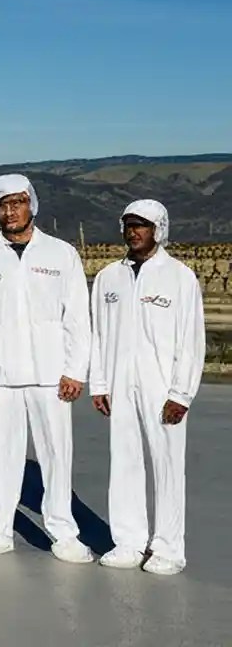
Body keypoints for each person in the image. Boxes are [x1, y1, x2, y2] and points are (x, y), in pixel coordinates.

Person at [0, 174, 93, 562]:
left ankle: (63, 532)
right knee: (0, 456)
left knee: (56, 456)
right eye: (3, 204)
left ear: (31, 204)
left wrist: (75, 370)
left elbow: (77, 317)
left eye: (18, 202)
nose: (11, 211)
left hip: (51, 376)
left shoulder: (61, 254)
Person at [90, 200, 203, 575]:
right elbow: (98, 334)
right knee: (124, 460)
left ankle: (169, 548)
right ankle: (129, 541)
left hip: (163, 387)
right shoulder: (108, 278)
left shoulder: (179, 277)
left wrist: (181, 393)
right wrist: (100, 383)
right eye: (128, 225)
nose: (133, 232)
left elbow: (191, 340)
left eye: (142, 225)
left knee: (167, 464)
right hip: (120, 383)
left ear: (159, 229)